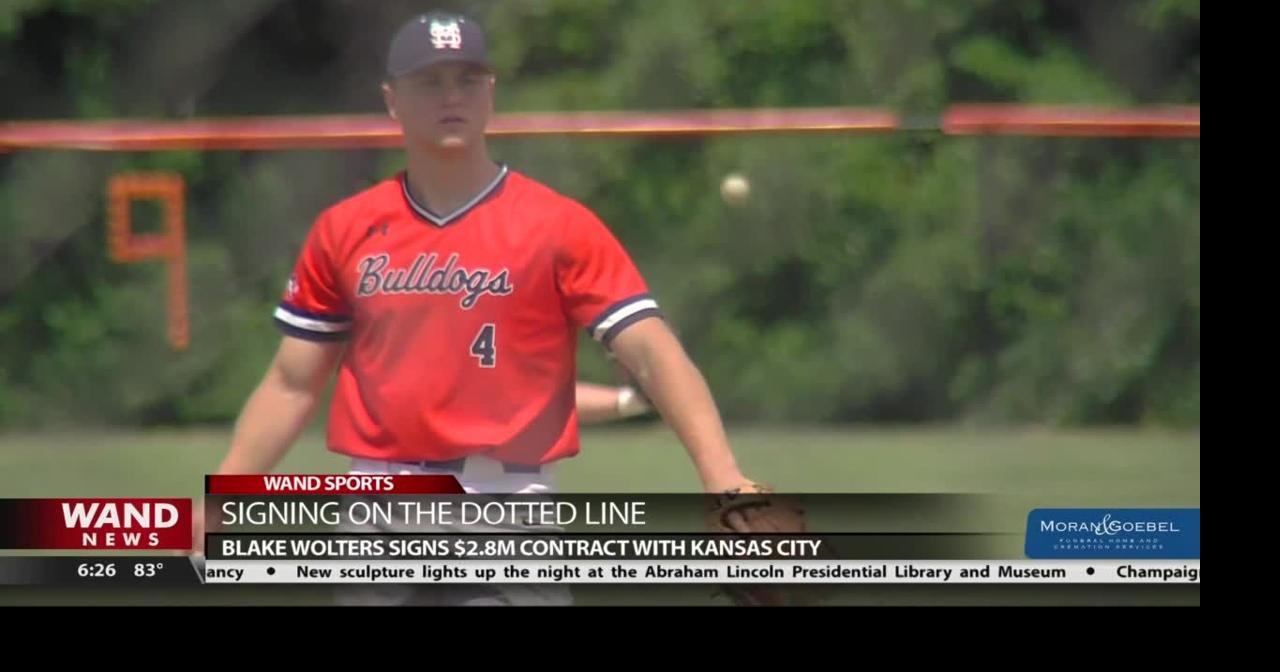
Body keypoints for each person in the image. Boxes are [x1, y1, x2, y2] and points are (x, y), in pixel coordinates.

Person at [197, 11, 768, 604]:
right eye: (430, 81)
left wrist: (723, 479)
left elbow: (651, 351)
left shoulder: (557, 226)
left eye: (467, 79)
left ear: (491, 93)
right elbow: (292, 383)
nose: (452, 96)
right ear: (392, 100)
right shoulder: (346, 230)